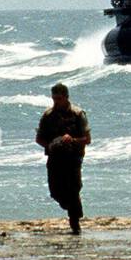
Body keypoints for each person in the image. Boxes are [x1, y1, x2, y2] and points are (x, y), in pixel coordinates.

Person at [35, 82, 91, 234]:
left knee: (73, 189)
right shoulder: (48, 115)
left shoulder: (78, 114)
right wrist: (52, 144)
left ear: (66, 97)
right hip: (55, 157)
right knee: (55, 191)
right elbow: (39, 139)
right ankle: (73, 209)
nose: (56, 102)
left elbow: (87, 139)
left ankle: (75, 223)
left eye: (59, 99)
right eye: (54, 99)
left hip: (73, 157)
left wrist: (71, 140)